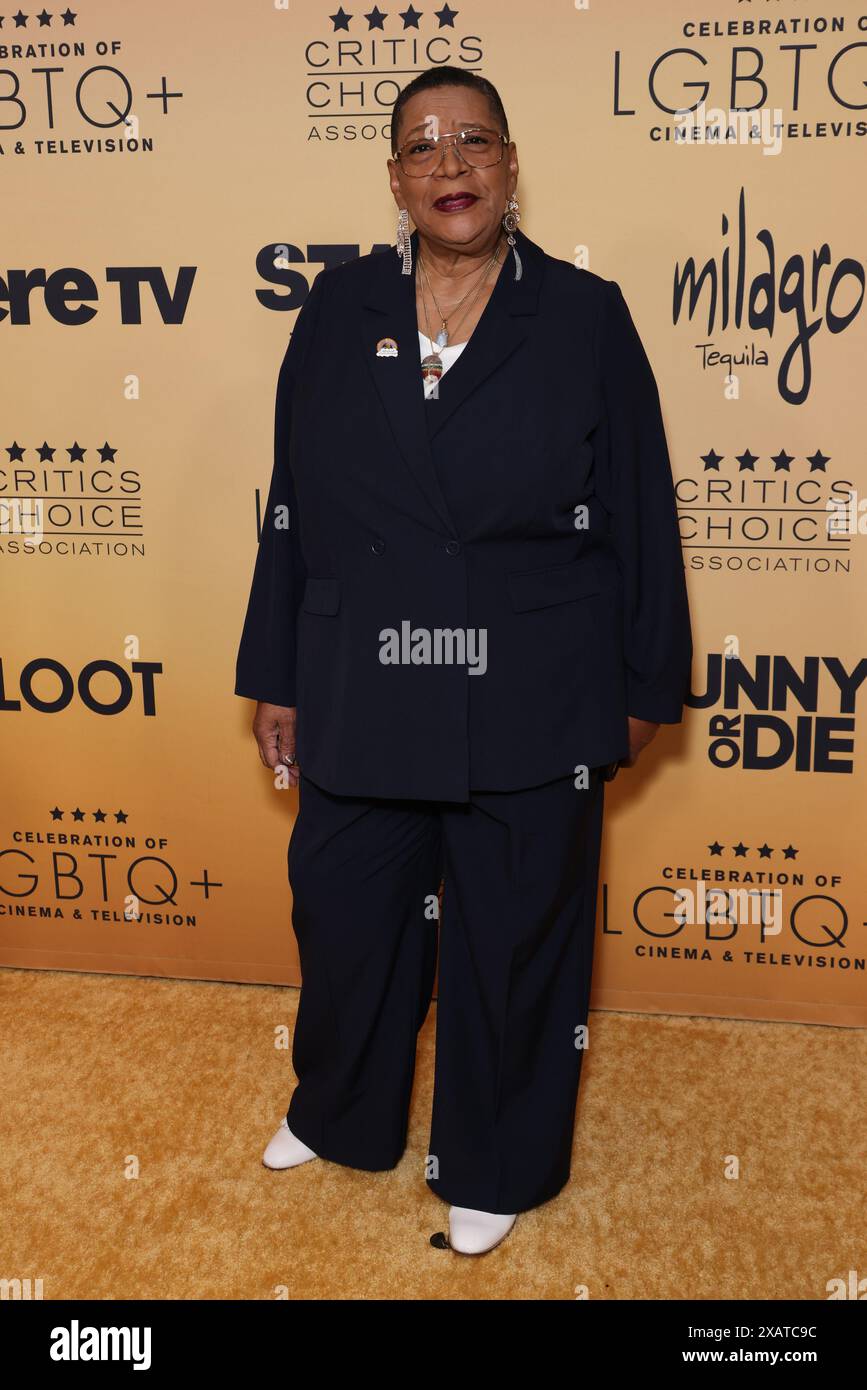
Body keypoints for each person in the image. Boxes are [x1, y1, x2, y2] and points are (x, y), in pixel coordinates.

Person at [235, 65, 692, 1256]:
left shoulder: (587, 315)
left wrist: (641, 684)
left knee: (512, 939)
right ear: (393, 177)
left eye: (474, 142)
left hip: (531, 687)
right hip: (363, 677)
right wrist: (277, 666)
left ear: (508, 166)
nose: (451, 166)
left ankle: (491, 1158)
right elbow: (294, 504)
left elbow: (640, 509)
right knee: (343, 914)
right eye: (425, 148)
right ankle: (341, 1111)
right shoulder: (336, 310)